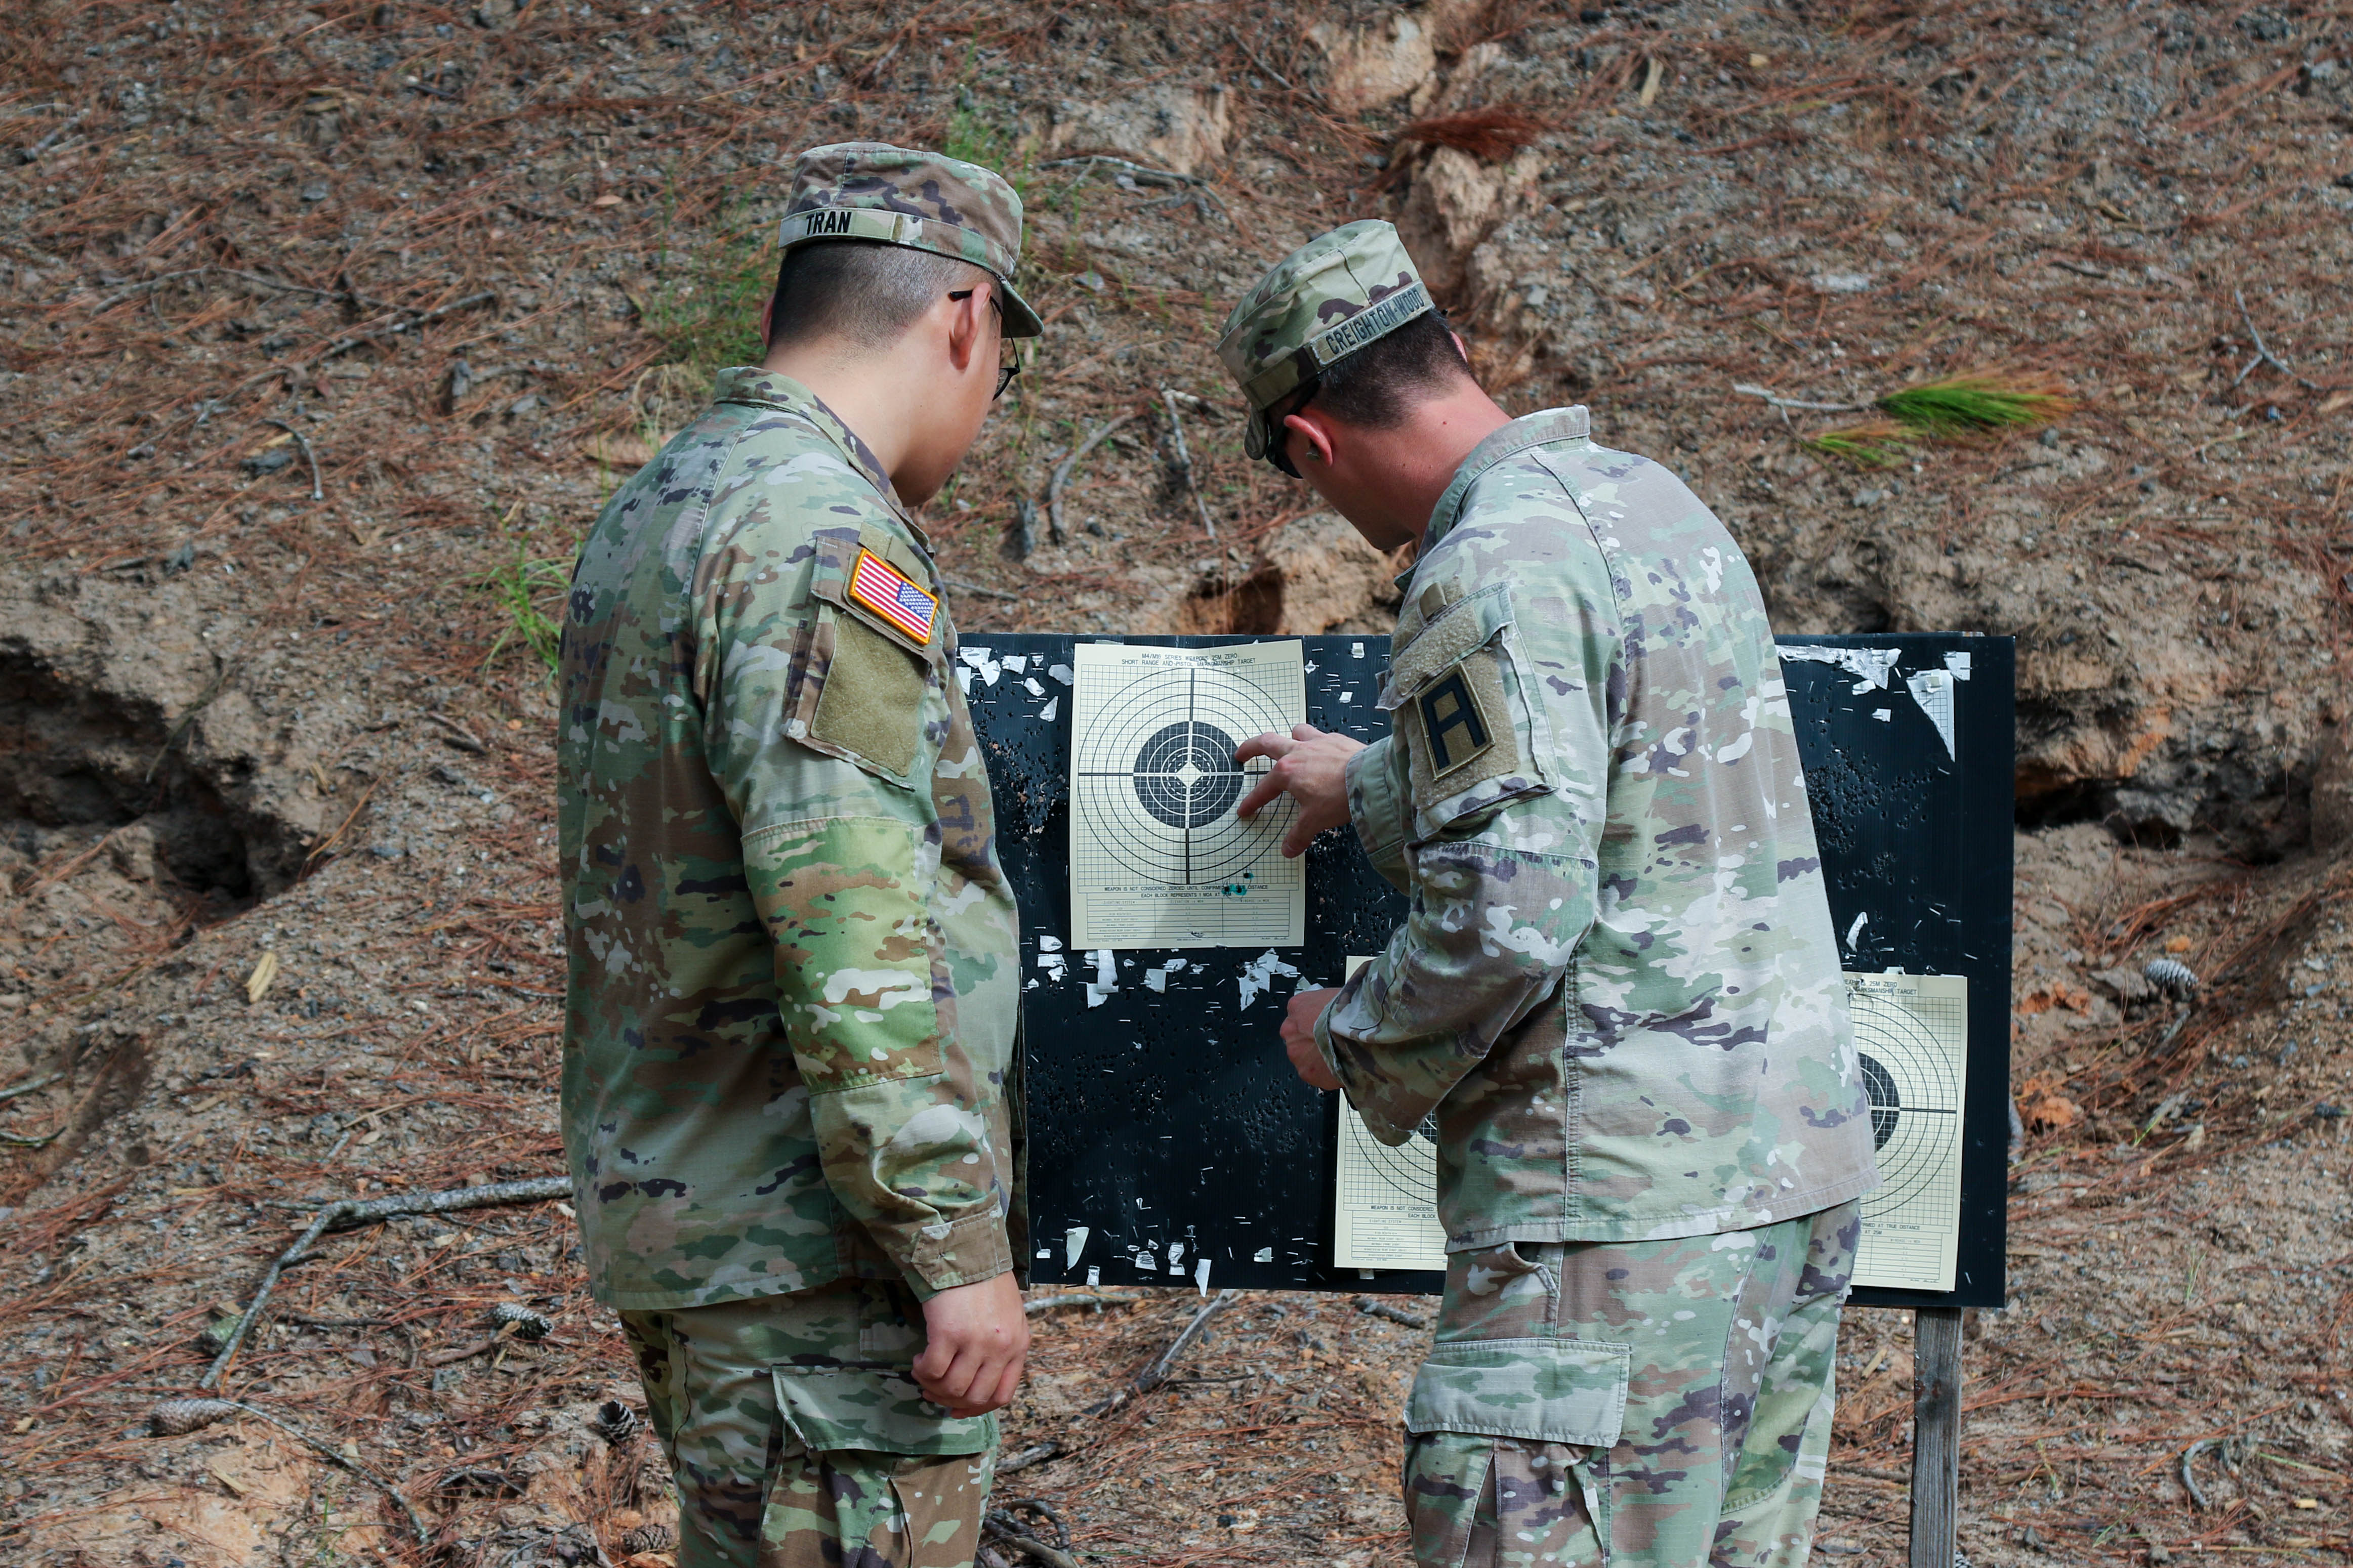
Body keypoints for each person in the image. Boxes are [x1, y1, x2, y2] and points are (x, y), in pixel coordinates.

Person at [1218, 220, 1883, 1567]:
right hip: (1777, 1182)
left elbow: (1509, 913)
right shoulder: (1651, 501)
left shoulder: (1485, 567)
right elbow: (1645, 793)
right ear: (1453, 352)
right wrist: (1380, 783)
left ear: (1310, 447)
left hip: (1612, 1227)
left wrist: (1347, 1032)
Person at [556, 142, 1041, 1568]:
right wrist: (950, 1241)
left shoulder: (662, 503)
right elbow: (851, 920)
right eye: (1002, 350)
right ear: (962, 316)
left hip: (698, 1215)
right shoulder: (822, 539)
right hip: (816, 1258)